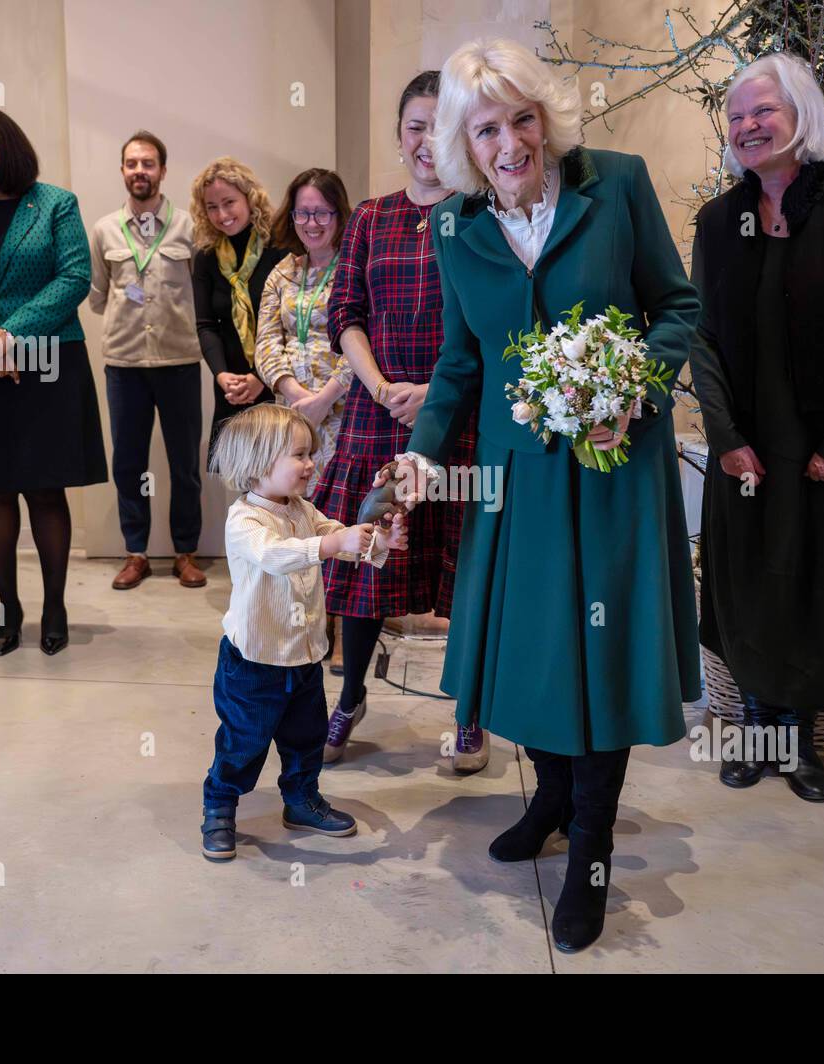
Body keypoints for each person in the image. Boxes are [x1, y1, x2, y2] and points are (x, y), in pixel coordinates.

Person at [390, 39, 702, 953]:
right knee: (530, 654)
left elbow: (678, 307)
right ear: (462, 141)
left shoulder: (619, 185)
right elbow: (459, 363)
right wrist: (419, 455)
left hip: (612, 473)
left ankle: (593, 850)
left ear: (547, 119)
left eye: (523, 118)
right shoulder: (454, 228)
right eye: (486, 127)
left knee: (599, 661)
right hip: (515, 482)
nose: (510, 141)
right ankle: (556, 800)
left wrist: (634, 389)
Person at [690, 52, 824, 803]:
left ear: (801, 116)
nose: (748, 126)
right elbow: (702, 335)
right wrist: (723, 438)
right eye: (737, 116)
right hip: (748, 444)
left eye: (764, 111)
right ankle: (756, 729)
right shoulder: (718, 221)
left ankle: (800, 739)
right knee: (749, 580)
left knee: (817, 582)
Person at [315, 71, 484, 772]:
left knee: (469, 569)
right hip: (377, 418)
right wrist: (383, 386)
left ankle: (472, 714)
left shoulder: (481, 213)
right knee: (366, 563)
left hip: (459, 420)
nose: (425, 140)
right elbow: (343, 315)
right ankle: (350, 696)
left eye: (438, 126)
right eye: (414, 126)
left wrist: (436, 391)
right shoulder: (370, 218)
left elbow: (490, 322)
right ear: (399, 135)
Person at [0, 105, 107, 656]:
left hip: (48, 365)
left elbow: (74, 275)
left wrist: (8, 335)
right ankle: (8, 605)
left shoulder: (55, 203)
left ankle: (55, 605)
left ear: (9, 146)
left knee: (45, 489)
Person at [199, 403, 406, 861]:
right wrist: (334, 544)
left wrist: (373, 542)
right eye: (299, 455)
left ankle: (301, 799)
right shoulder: (245, 521)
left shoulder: (302, 508)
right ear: (257, 463)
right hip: (253, 663)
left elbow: (334, 532)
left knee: (305, 738)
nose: (311, 464)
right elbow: (278, 555)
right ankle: (220, 805)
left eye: (310, 453)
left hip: (304, 655)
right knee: (243, 743)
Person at [89, 130, 207, 592]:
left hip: (180, 361)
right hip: (125, 364)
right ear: (123, 171)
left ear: (162, 170)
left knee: (184, 464)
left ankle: (186, 552)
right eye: (132, 163)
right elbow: (100, 295)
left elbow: (201, 293)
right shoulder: (103, 230)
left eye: (149, 163)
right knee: (129, 464)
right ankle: (135, 552)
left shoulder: (190, 227)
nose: (140, 171)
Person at [254, 168, 353, 497]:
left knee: (337, 506)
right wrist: (299, 398)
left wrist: (324, 400)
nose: (312, 223)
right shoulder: (282, 273)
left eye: (322, 213)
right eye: (303, 213)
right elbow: (266, 345)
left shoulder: (355, 269)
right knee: (293, 504)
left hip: (343, 408)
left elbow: (364, 343)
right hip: (291, 411)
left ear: (339, 214)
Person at [190, 158, 287, 466]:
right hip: (232, 385)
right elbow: (206, 325)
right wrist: (222, 376)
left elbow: (288, 324)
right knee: (243, 476)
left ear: (250, 198)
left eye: (229, 202)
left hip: (276, 380)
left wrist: (261, 376)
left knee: (282, 472)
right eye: (212, 207)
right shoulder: (206, 256)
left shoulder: (280, 246)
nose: (222, 215)